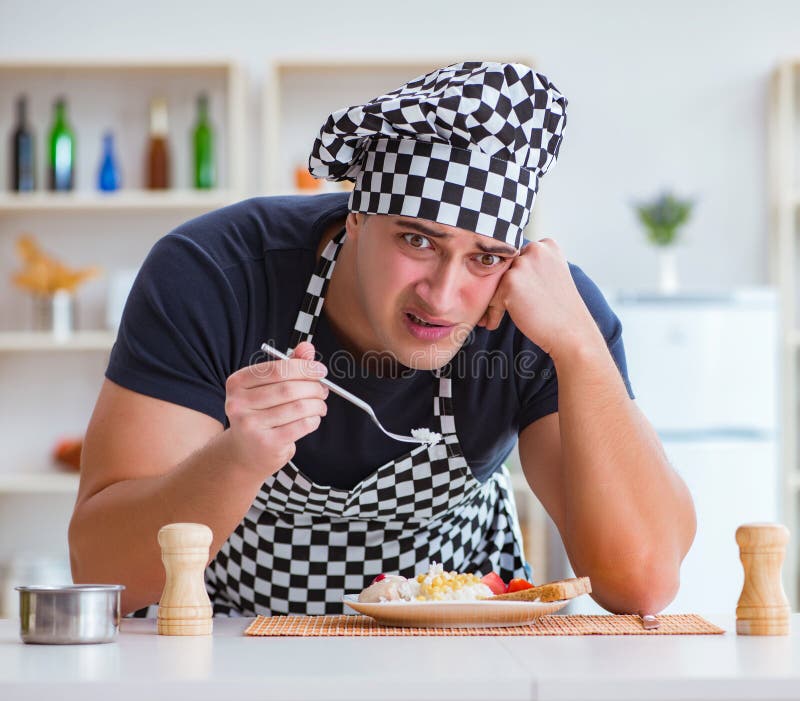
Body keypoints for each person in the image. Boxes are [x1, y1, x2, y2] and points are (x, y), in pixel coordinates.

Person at [69, 61, 696, 617]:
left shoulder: (551, 315)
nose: (443, 295)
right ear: (357, 219)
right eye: (417, 240)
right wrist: (239, 457)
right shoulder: (212, 275)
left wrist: (582, 350)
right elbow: (103, 573)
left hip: (462, 651)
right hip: (229, 645)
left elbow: (642, 584)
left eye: (484, 257)